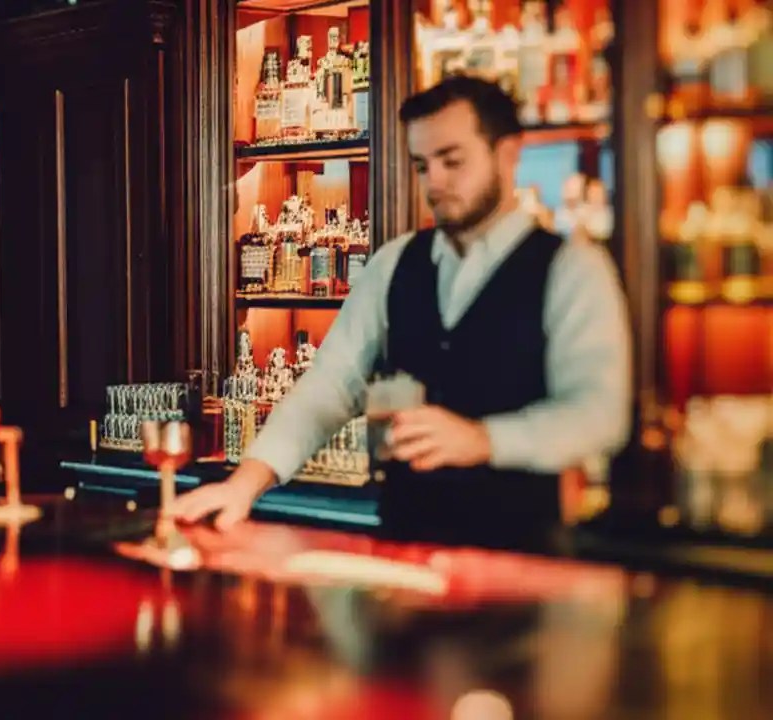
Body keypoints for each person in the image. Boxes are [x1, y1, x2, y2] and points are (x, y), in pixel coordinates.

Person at [171, 75, 631, 545]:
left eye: (452, 161)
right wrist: (245, 484)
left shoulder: (572, 268)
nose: (435, 182)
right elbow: (329, 386)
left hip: (520, 565)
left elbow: (600, 414)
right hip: (405, 552)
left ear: (508, 153)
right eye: (422, 165)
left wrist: (484, 439)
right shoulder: (394, 263)